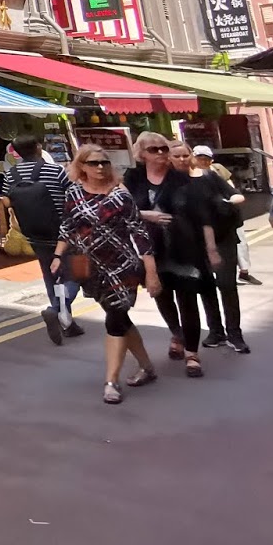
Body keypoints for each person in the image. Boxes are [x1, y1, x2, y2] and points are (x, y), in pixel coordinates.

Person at [52, 144, 162, 405]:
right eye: (93, 163)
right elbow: (67, 227)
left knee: (114, 318)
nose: (100, 167)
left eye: (104, 162)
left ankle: (111, 382)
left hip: (122, 267)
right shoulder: (74, 193)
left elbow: (140, 234)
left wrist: (151, 272)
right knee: (120, 317)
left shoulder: (120, 196)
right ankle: (147, 367)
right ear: (82, 167)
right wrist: (57, 256)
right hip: (89, 267)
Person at [124, 131, 218, 376]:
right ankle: (176, 333)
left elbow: (202, 216)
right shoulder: (133, 177)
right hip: (150, 252)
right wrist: (146, 215)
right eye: (154, 149)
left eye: (163, 148)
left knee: (188, 300)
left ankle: (191, 353)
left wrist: (211, 248)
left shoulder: (181, 178)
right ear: (141, 154)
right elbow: (123, 209)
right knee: (162, 297)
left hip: (184, 248)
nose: (160, 153)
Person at [3, 135, 81, 344]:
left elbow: (6, 201)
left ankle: (68, 323)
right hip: (62, 232)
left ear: (17, 152)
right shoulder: (55, 171)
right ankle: (56, 310)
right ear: (38, 147)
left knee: (50, 276)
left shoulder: (11, 174)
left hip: (35, 233)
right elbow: (72, 196)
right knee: (76, 274)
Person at [184, 143, 249, 353]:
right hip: (196, 241)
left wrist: (229, 201)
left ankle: (234, 333)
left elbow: (236, 195)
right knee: (206, 287)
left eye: (206, 158)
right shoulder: (177, 183)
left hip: (223, 238)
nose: (200, 161)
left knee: (227, 284)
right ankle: (216, 332)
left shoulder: (212, 177)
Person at [194, 145, 260, 285]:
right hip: (207, 219)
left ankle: (244, 272)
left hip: (227, 214)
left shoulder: (216, 170)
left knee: (240, 243)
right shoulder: (191, 175)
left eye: (207, 159)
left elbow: (232, 189)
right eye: (200, 158)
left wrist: (230, 200)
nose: (204, 162)